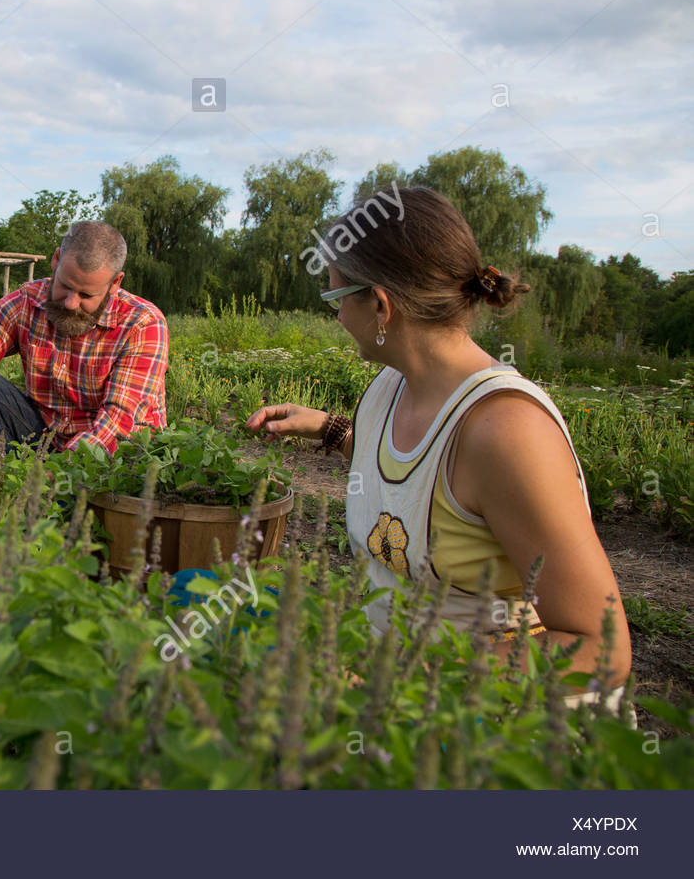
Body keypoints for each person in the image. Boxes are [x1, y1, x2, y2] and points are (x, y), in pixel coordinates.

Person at [245, 186, 630, 707]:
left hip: (495, 732)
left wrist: (405, 676)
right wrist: (331, 430)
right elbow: (430, 489)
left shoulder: (506, 430)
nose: (334, 317)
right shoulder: (392, 384)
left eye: (335, 298)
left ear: (380, 304)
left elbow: (597, 648)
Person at [0, 221, 169, 453]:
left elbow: (117, 421)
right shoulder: (28, 300)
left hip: (112, 457)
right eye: (65, 286)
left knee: (81, 482)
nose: (71, 303)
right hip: (47, 441)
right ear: (56, 259)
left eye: (86, 296)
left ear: (115, 283)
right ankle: (2, 479)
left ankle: (35, 491)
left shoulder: (142, 323)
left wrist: (57, 475)